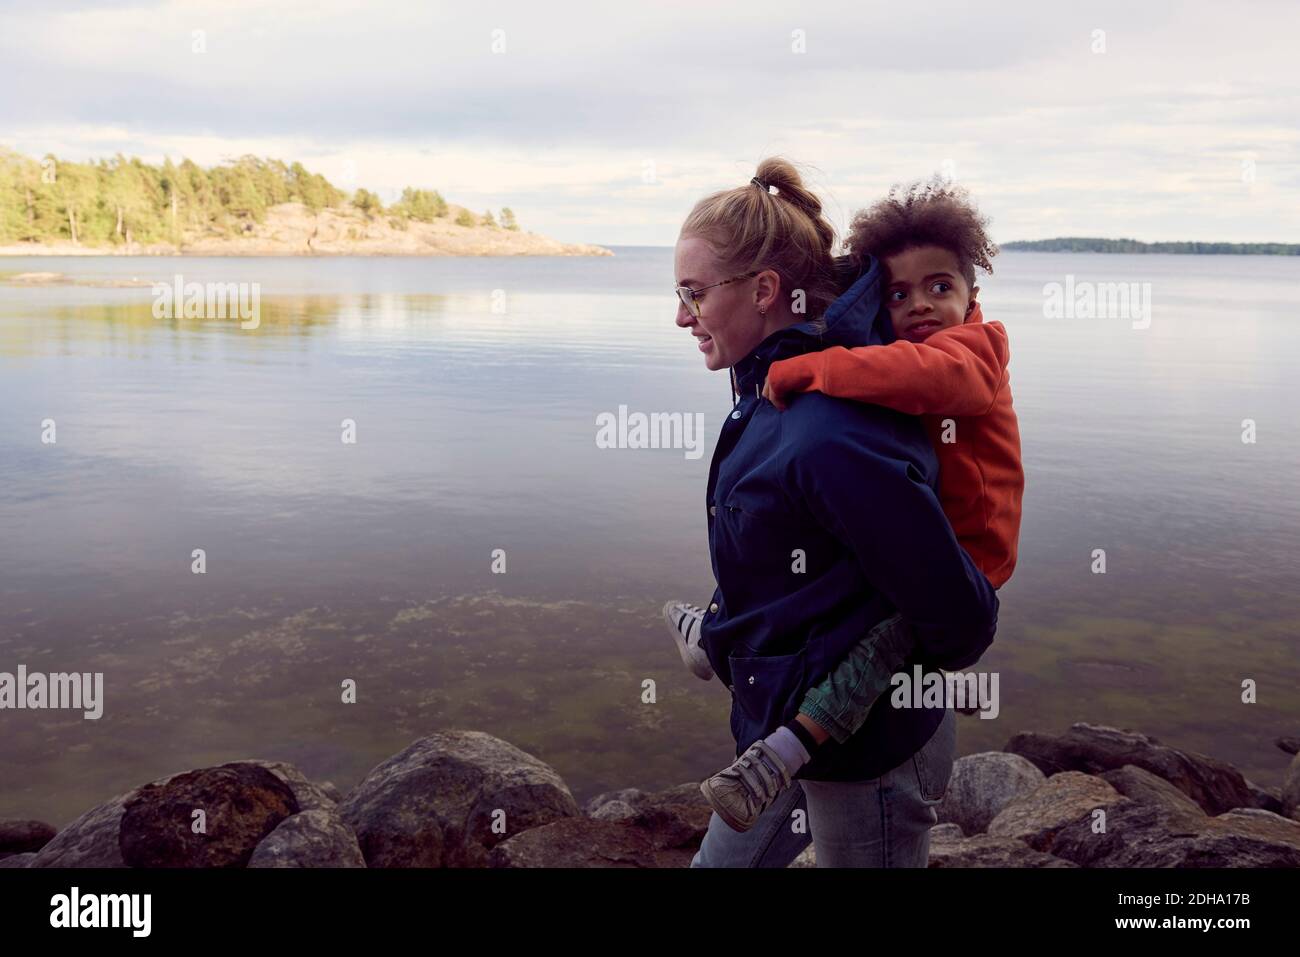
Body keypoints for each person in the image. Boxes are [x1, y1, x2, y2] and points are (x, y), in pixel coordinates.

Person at [666, 177, 1024, 834]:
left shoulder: (829, 425)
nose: (682, 315)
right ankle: (722, 645)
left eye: (695, 293)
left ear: (766, 290)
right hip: (777, 708)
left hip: (872, 756)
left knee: (876, 655)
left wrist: (809, 368)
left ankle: (783, 725)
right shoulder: (769, 396)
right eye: (897, 293)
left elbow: (962, 621)